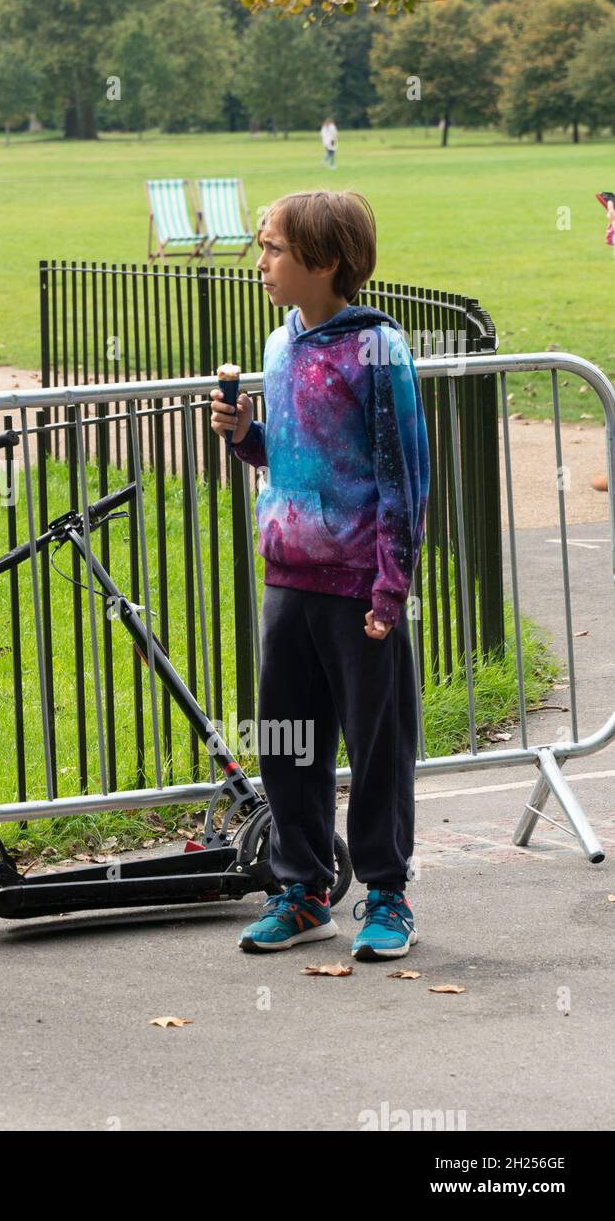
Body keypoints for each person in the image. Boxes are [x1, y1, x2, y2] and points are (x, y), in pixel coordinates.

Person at [208, 189, 430, 962]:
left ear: (325, 260)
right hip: (288, 575)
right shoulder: (278, 344)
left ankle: (388, 896)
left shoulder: (377, 348)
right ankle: (301, 891)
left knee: (377, 743)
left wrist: (390, 584)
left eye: (272, 249)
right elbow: (297, 455)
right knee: (287, 741)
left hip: (358, 585)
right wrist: (246, 436)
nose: (260, 262)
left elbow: (404, 475)